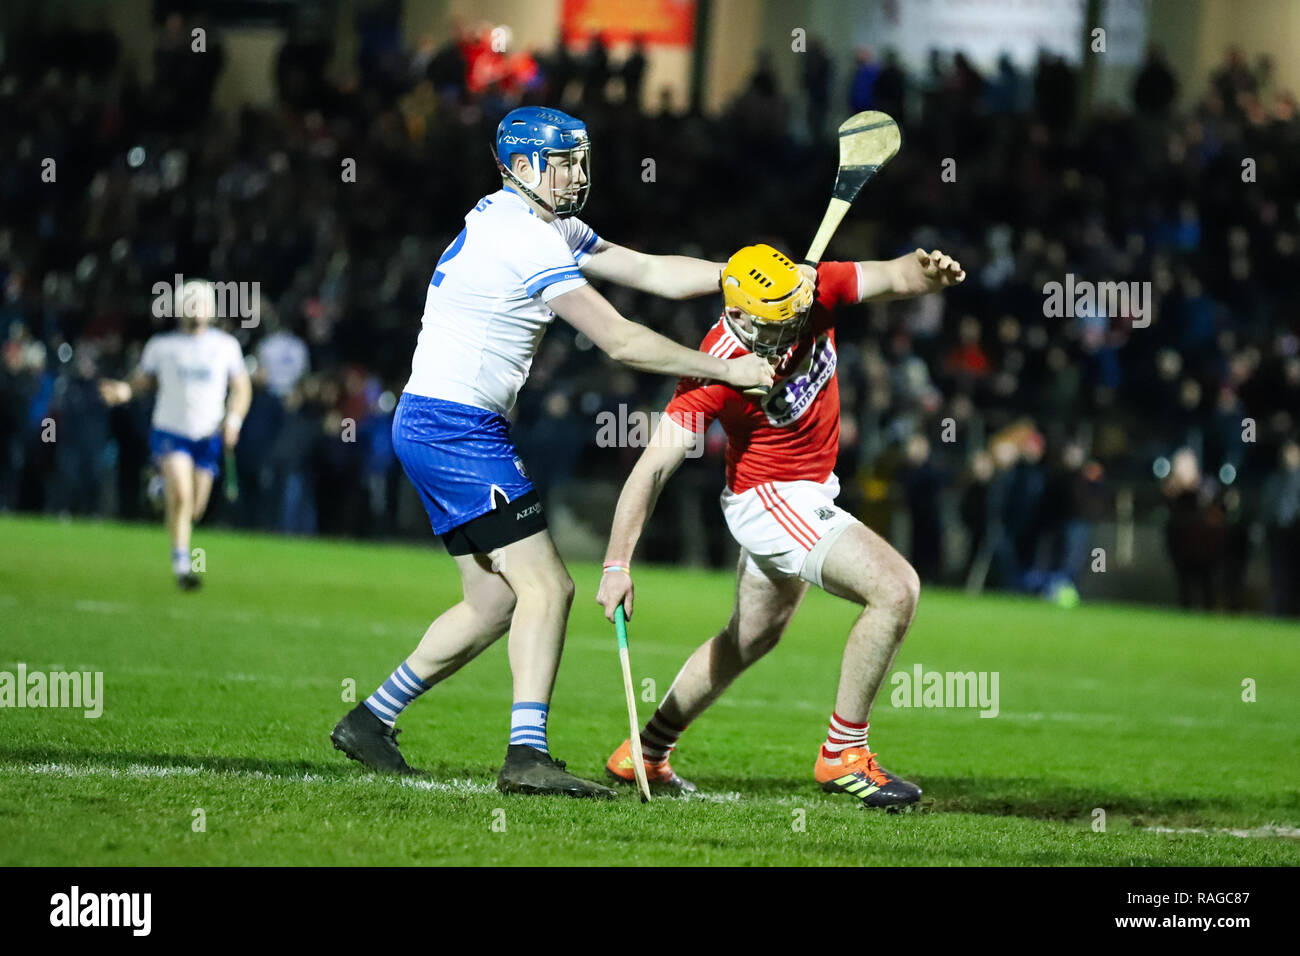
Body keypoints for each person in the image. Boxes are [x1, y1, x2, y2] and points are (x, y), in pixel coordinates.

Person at [329, 106, 773, 799]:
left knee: (491, 602)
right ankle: (527, 756)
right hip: (454, 428)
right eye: (562, 163)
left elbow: (649, 271)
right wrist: (728, 369)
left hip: (441, 422)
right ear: (523, 165)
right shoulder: (524, 236)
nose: (576, 175)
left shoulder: (539, 221)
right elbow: (619, 339)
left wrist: (744, 277)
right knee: (549, 587)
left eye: (579, 161)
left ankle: (370, 719)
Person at [595, 243, 964, 808]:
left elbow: (896, 277)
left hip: (811, 489)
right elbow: (652, 469)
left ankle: (645, 751)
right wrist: (617, 564)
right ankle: (843, 752)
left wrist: (930, 274)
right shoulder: (714, 366)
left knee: (749, 639)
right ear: (736, 313)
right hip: (770, 498)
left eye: (794, 319)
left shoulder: (812, 289)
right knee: (895, 589)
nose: (789, 332)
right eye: (775, 325)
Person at [99, 279, 252, 589]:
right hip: (171, 431)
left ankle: (160, 491)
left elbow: (241, 388)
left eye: (202, 304)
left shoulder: (225, 347)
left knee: (195, 508)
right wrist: (125, 390)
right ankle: (183, 566)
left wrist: (234, 422)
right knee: (181, 495)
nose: (196, 310)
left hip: (207, 436)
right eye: (191, 303)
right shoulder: (162, 346)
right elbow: (144, 380)